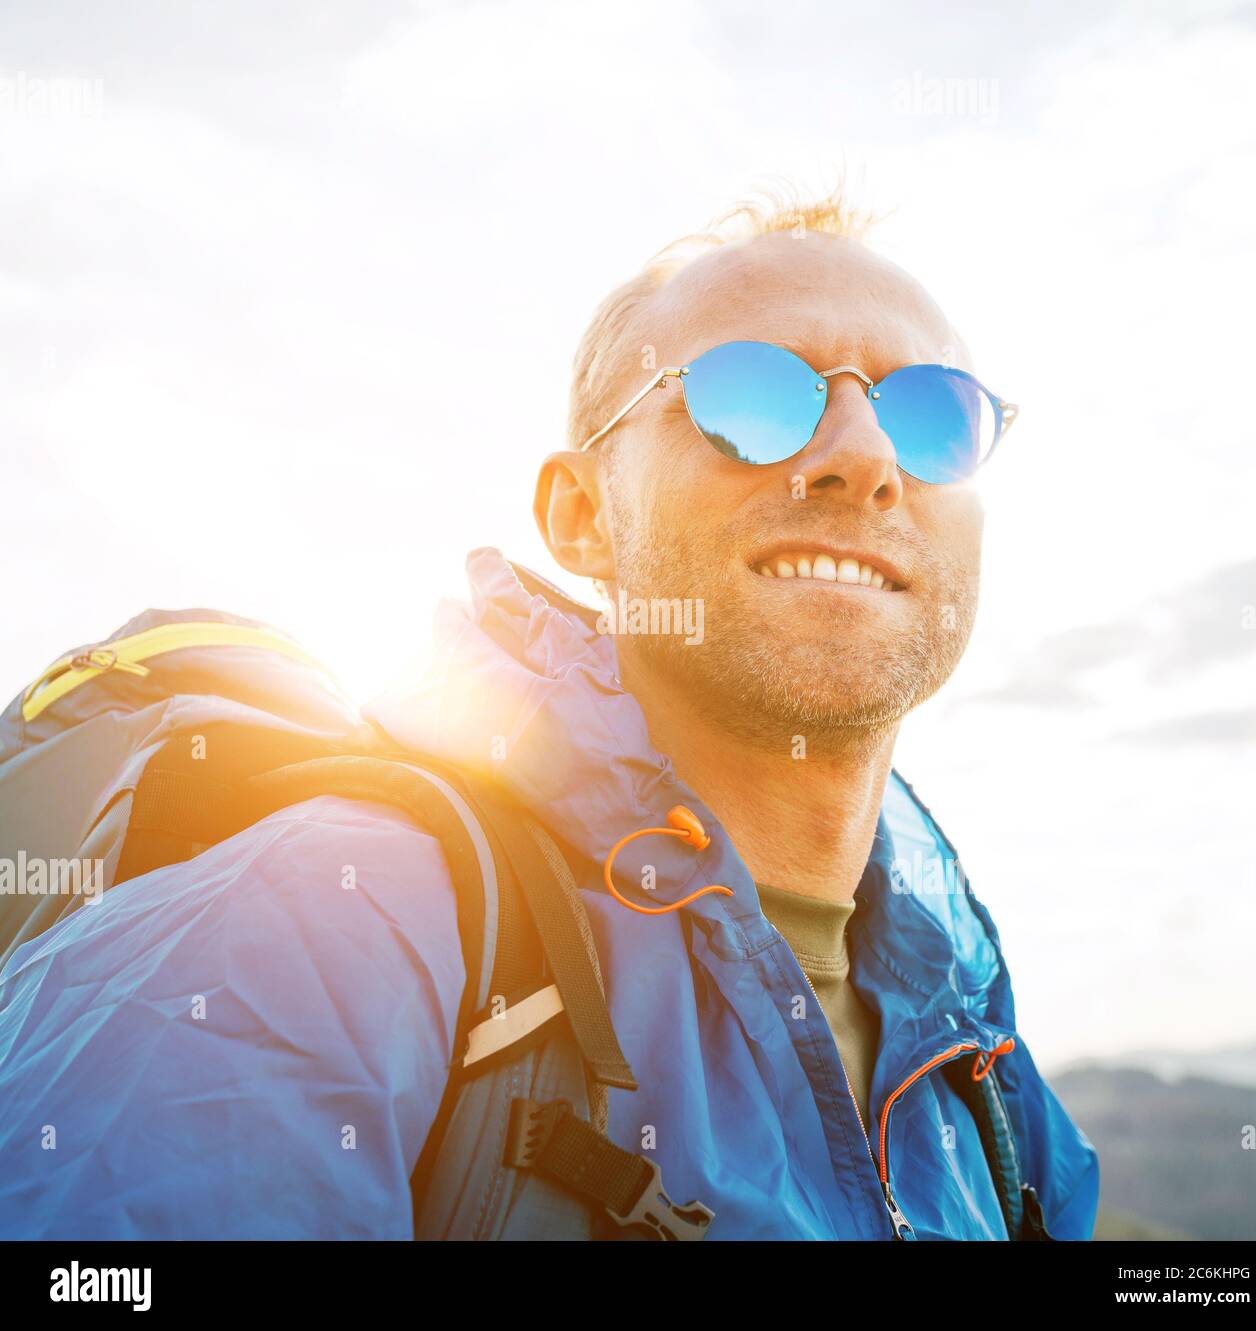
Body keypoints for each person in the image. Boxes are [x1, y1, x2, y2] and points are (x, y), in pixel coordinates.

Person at [0, 189, 1099, 1240]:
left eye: (932, 415)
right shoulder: (311, 931)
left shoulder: (976, 1065)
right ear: (580, 515)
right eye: (752, 397)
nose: (864, 459)